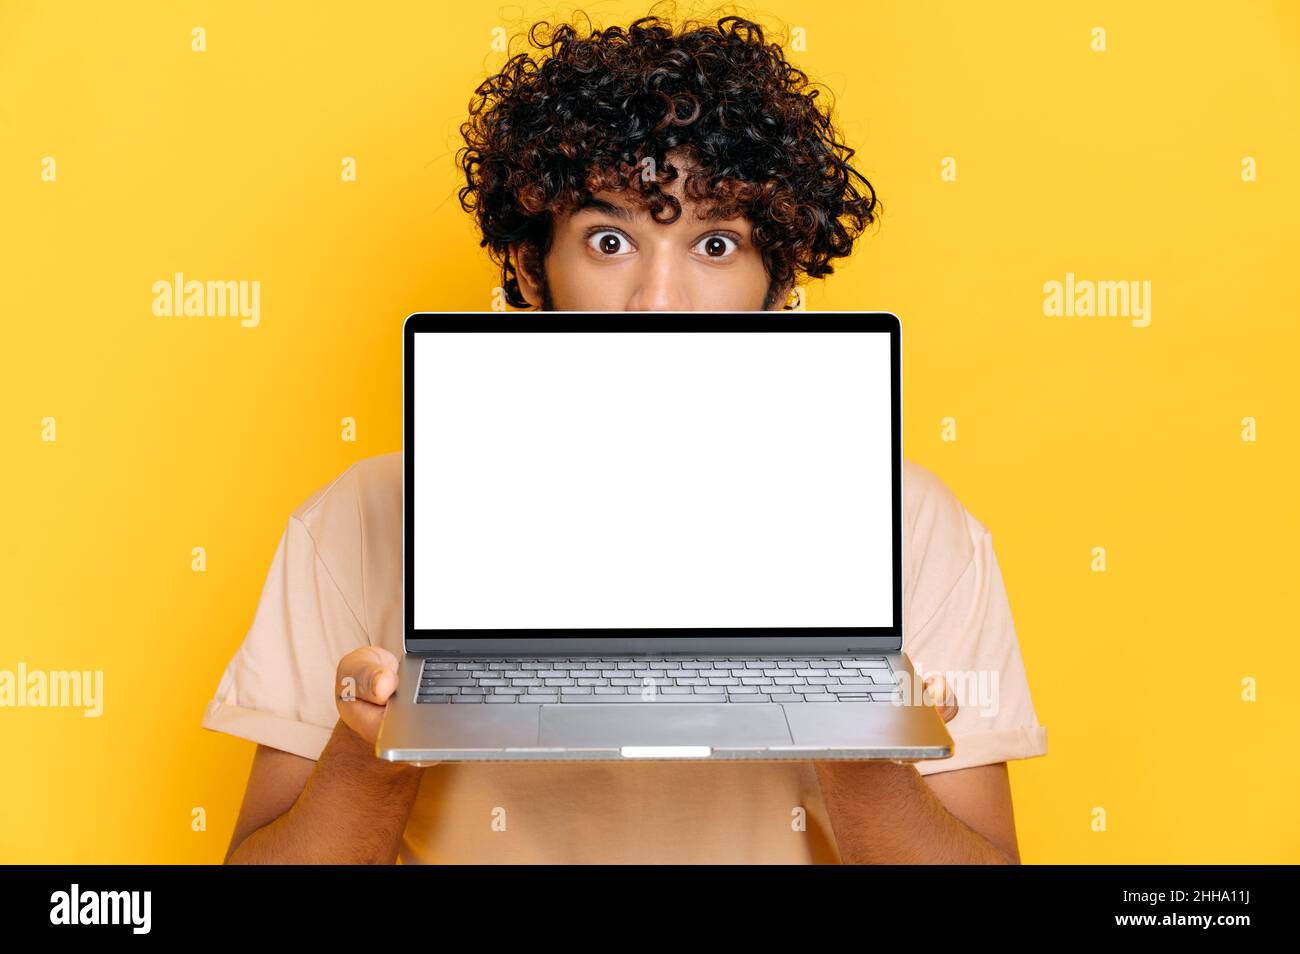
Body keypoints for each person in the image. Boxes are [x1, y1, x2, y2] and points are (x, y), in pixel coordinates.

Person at [201, 12, 1047, 864]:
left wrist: (858, 736)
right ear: (533, 269)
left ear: (778, 283)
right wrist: (369, 747)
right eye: (611, 241)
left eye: (716, 243)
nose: (660, 302)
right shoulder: (359, 519)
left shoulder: (911, 526)